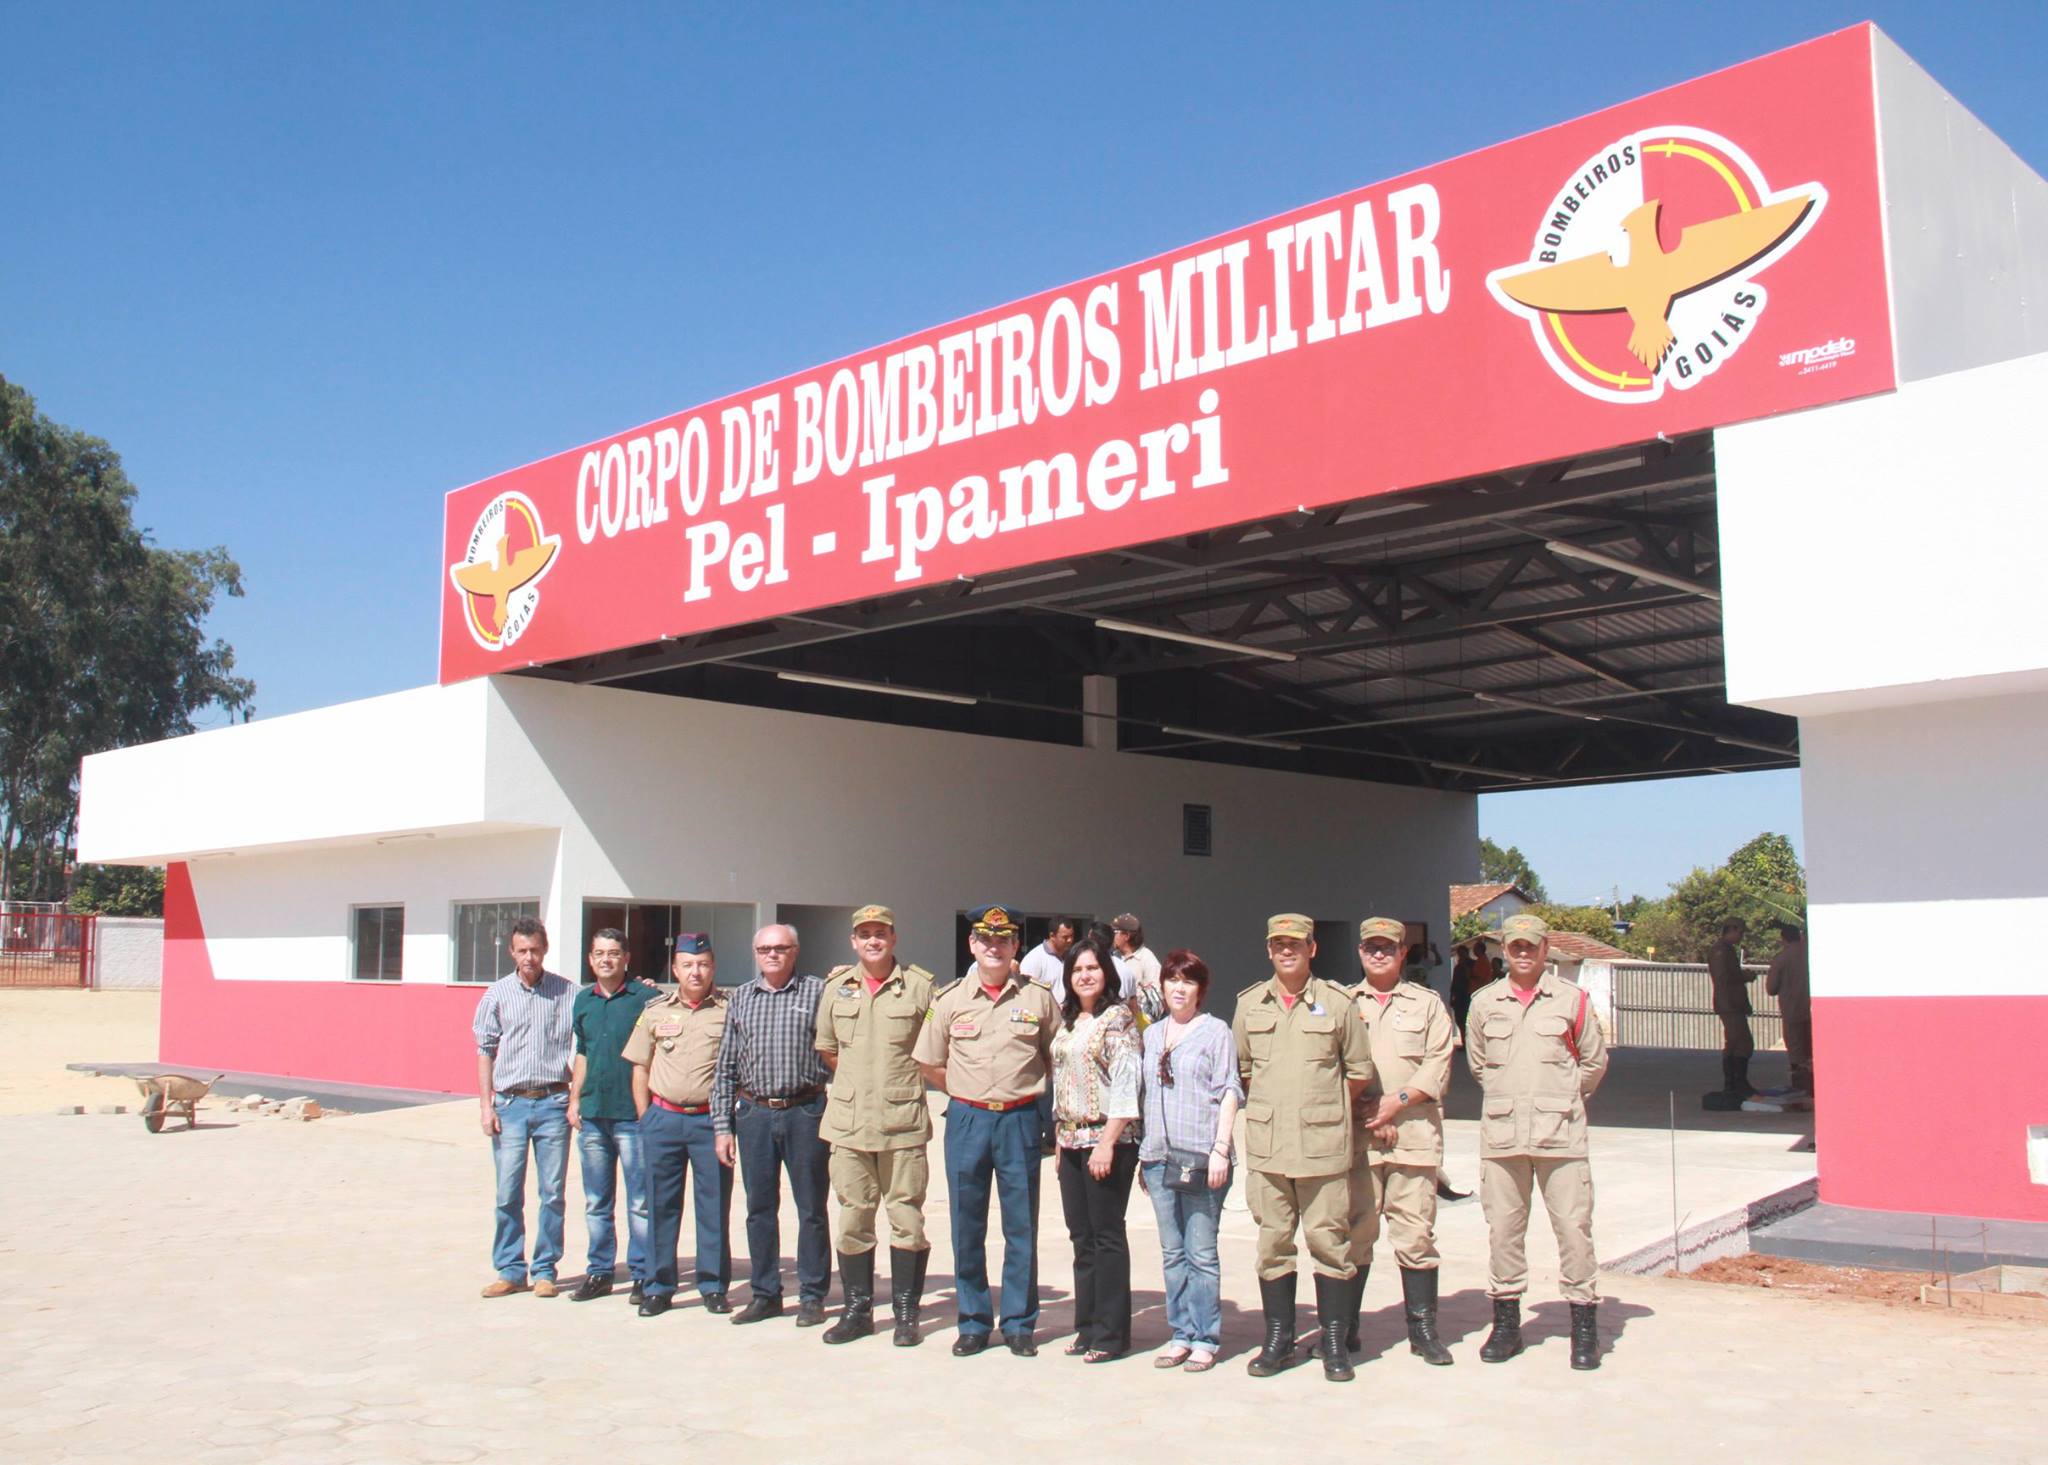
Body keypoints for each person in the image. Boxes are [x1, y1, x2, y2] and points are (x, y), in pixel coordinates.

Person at [1465, 913, 1610, 1370]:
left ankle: (1583, 1327)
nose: (1523, 953)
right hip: (1503, 1135)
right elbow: (1479, 1065)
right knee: (1503, 1231)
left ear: (1545, 949)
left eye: (1531, 946)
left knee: (1573, 1229)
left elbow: (1593, 1062)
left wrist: (1562, 1098)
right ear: (1504, 951)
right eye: (1515, 946)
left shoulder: (1572, 1000)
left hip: (1560, 1135)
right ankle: (1507, 1325)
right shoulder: (1484, 1003)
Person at [914, 902, 1059, 1357]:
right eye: (986, 939)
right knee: (966, 1224)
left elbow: (1055, 1056)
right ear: (972, 944)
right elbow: (928, 1061)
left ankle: (1018, 1323)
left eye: (1004, 940)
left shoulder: (1038, 998)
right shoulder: (949, 1000)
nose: (994, 947)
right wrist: (964, 1090)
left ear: (1016, 946)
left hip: (1019, 1119)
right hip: (968, 1119)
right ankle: (973, 1322)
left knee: (1021, 1226)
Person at [1233, 913, 1374, 1382]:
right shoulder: (1250, 1005)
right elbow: (1245, 1071)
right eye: (1278, 944)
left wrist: (1319, 1107)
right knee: (1273, 1244)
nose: (1286, 951)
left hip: (1322, 1148)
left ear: (1312, 948)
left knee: (1329, 1243)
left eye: (1295, 943)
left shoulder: (1337, 1003)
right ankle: (1279, 1340)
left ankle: (1334, 1341)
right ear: (1269, 949)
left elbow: (1358, 1071)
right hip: (1270, 1149)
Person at [813, 905, 936, 1346]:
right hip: (849, 1125)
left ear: (893, 937)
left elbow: (934, 1046)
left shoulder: (921, 988)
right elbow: (828, 1048)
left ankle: (905, 1313)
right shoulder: (836, 989)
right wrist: (858, 1084)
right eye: (864, 934)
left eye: (880, 933)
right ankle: (857, 1311)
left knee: (907, 1218)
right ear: (853, 941)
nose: (872, 941)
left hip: (902, 1124)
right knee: (853, 1218)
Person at [1337, 916, 1457, 1365]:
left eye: (1388, 947)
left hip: (1414, 1137)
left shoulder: (1427, 1005)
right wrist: (1370, 1112)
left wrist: (1395, 1103)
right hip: (1360, 1137)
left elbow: (1438, 1064)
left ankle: (1423, 1331)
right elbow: (1331, 1065)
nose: (1379, 953)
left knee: (1415, 1236)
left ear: (1403, 953)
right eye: (1371, 946)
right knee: (1354, 1233)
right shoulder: (1344, 1003)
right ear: (1360, 951)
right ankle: (1345, 1329)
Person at [712, 923, 832, 1325]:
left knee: (811, 1208)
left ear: (795, 951)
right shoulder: (742, 998)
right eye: (765, 949)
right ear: (756, 954)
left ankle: (812, 1295)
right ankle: (766, 1294)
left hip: (805, 1111)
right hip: (755, 1114)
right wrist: (722, 1126)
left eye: (780, 948)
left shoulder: (818, 993)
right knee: (759, 1208)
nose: (772, 955)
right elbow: (726, 1067)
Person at [1138, 949, 1240, 1373]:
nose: (1179, 989)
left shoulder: (1216, 1032)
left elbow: (1229, 1089)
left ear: (1201, 989)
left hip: (1200, 1157)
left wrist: (1221, 1149)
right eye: (1172, 979)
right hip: (1158, 1157)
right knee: (1172, 1252)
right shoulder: (1151, 1034)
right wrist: (1144, 1154)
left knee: (1200, 1252)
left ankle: (1205, 1337)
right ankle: (1180, 1332)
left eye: (1188, 981)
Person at [624, 932, 734, 1317]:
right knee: (660, 1206)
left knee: (713, 1207)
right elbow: (641, 1065)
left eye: (702, 964)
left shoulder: (729, 1010)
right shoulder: (655, 1011)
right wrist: (646, 1118)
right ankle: (658, 1286)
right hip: (664, 1120)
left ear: (713, 967)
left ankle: (713, 1285)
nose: (695, 972)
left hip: (710, 1122)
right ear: (675, 969)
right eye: (688, 965)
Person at [1050, 936, 1142, 1362]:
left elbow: (1126, 1083)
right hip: (1071, 1140)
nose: (1084, 976)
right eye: (1077, 970)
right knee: (1081, 1237)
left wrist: (1107, 1142)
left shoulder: (1117, 1018)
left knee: (1106, 1236)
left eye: (1092, 968)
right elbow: (1061, 1078)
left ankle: (1111, 1334)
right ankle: (1086, 1327)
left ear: (1106, 972)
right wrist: (1059, 1137)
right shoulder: (1068, 1020)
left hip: (1108, 1140)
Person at [473, 916, 576, 1298]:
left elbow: (588, 1037)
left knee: (552, 1192)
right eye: (522, 951)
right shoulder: (496, 994)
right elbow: (485, 1051)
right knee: (507, 1193)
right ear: (512, 952)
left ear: (545, 949)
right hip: (511, 1105)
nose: (529, 957)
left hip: (553, 1103)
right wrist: (486, 1106)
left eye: (534, 949)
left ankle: (546, 1270)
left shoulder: (568, 993)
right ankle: (511, 1270)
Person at [568, 927, 659, 1302]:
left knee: (640, 1202)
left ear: (627, 958)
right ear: (590, 959)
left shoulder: (647, 999)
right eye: (600, 953)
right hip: (593, 1115)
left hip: (632, 1117)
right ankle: (600, 1272)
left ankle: (643, 1273)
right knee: (596, 1202)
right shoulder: (583, 1001)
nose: (606, 960)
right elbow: (583, 1052)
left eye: (614, 953)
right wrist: (575, 1099)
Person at [1708, 917, 1756, 1097]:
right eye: (1740, 932)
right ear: (1732, 929)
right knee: (1741, 1043)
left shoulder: (1726, 949)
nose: (1741, 936)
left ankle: (1735, 1083)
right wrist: (1744, 976)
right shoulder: (1720, 951)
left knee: (1736, 1043)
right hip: (1729, 1004)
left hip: (1732, 1002)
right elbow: (1724, 977)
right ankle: (1736, 1084)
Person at [1766, 923, 1812, 1096]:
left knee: (1796, 1051)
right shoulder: (1812, 954)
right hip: (1813, 1010)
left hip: (1792, 1010)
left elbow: (1771, 988)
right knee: (1811, 1049)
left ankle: (1801, 1087)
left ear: (1783, 939)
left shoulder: (1781, 959)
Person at [1111, 913, 1165, 1020]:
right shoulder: (1114, 957)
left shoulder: (1147, 959)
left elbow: (1157, 999)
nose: (1111, 936)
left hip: (1139, 1022)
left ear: (1126, 936)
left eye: (1114, 932)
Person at [1019, 918, 1078, 994]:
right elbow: (1026, 992)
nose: (1070, 940)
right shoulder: (1034, 959)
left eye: (1072, 936)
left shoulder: (1072, 956)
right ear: (1052, 936)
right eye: (1065, 937)